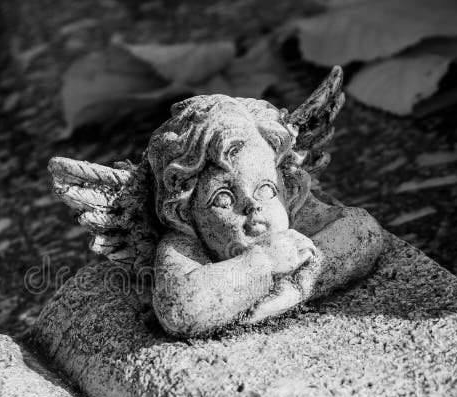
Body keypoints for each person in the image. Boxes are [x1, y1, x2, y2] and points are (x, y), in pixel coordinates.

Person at [147, 95, 383, 337]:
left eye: (265, 189)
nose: (253, 207)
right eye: (223, 199)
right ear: (186, 214)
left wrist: (301, 284)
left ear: (285, 186)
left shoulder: (290, 204)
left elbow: (362, 229)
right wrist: (265, 263)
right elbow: (179, 308)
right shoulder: (183, 243)